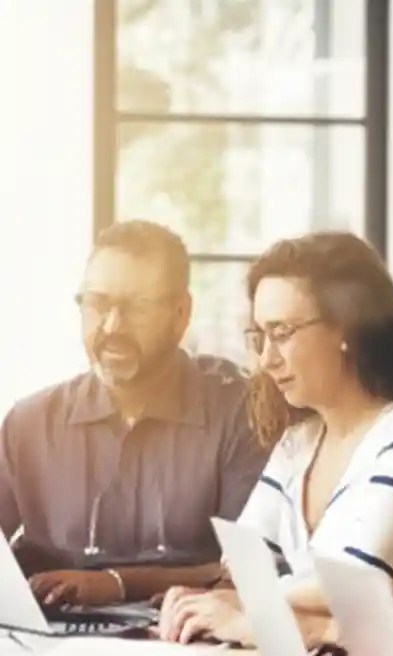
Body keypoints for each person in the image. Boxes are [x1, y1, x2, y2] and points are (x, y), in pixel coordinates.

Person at [157, 231, 393, 645]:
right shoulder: (298, 442)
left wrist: (241, 607)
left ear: (348, 329)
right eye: (259, 337)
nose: (267, 359)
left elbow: (351, 589)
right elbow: (241, 571)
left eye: (282, 332)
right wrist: (209, 604)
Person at [0, 220, 267, 606]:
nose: (112, 325)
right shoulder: (29, 424)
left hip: (192, 642)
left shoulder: (240, 414)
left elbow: (250, 569)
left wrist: (117, 583)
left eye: (136, 307)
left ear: (181, 313)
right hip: (51, 645)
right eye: (97, 303)